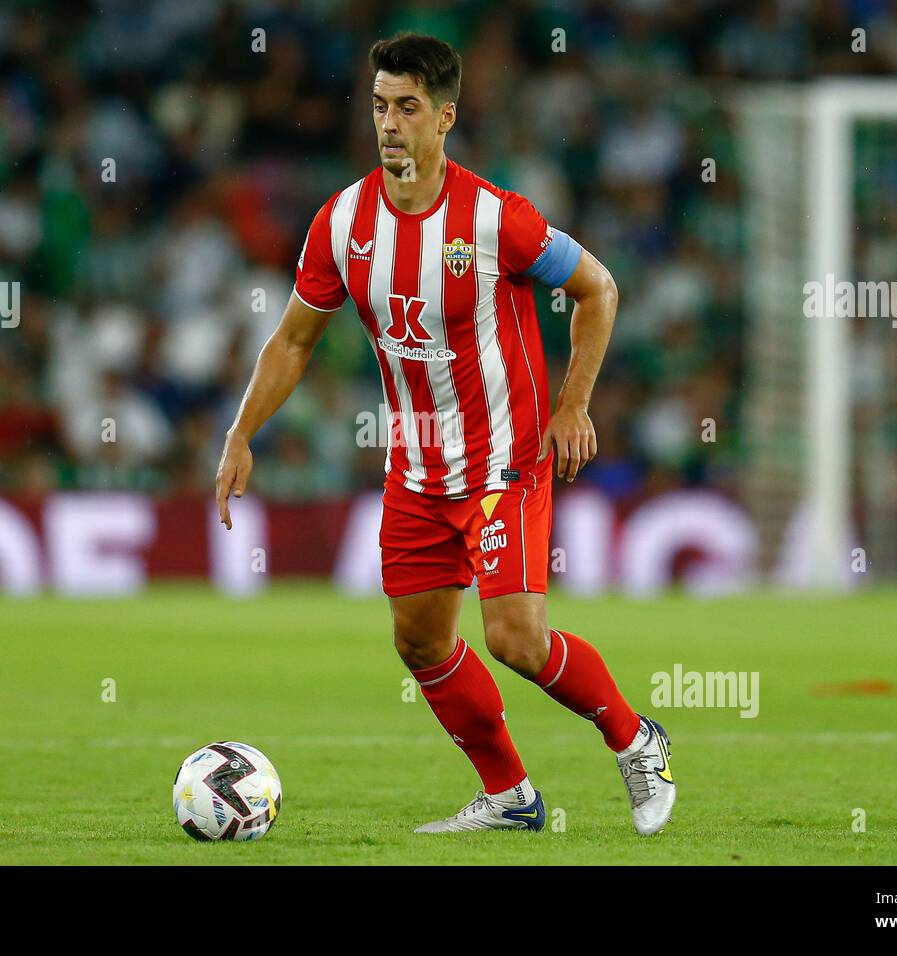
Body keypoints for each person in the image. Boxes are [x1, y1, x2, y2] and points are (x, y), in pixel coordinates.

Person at [216, 32, 674, 835]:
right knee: (421, 645)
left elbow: (598, 289)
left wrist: (574, 405)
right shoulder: (342, 222)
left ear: (445, 118)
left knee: (516, 640)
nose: (389, 123)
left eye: (407, 108)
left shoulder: (499, 219)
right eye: (379, 106)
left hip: (506, 463)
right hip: (417, 474)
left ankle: (636, 740)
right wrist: (241, 433)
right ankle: (509, 797)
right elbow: (293, 340)